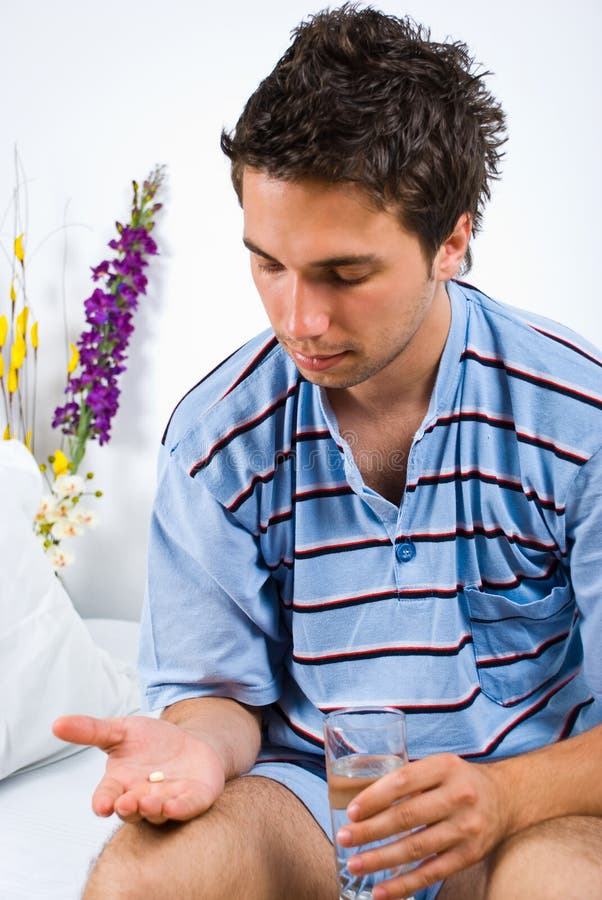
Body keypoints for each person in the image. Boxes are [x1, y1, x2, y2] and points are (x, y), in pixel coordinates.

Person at [53, 5, 602, 899]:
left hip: (534, 813)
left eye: (344, 274)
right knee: (143, 881)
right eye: (269, 264)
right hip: (318, 809)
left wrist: (502, 798)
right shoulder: (215, 441)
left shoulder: (579, 416)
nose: (298, 322)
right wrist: (195, 743)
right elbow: (217, 693)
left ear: (452, 241)